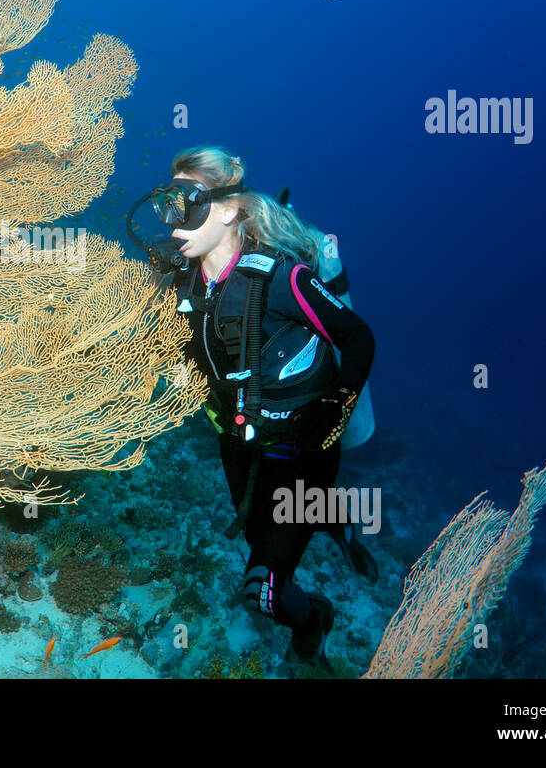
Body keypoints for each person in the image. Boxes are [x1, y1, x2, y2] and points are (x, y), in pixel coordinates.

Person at [143, 145, 378, 672]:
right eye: (167, 203)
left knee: (263, 590)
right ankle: (332, 518)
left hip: (304, 443)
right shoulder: (182, 286)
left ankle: (314, 618)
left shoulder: (280, 279)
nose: (175, 217)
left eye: (187, 200)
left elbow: (358, 336)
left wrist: (339, 405)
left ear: (229, 209)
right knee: (257, 536)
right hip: (237, 442)